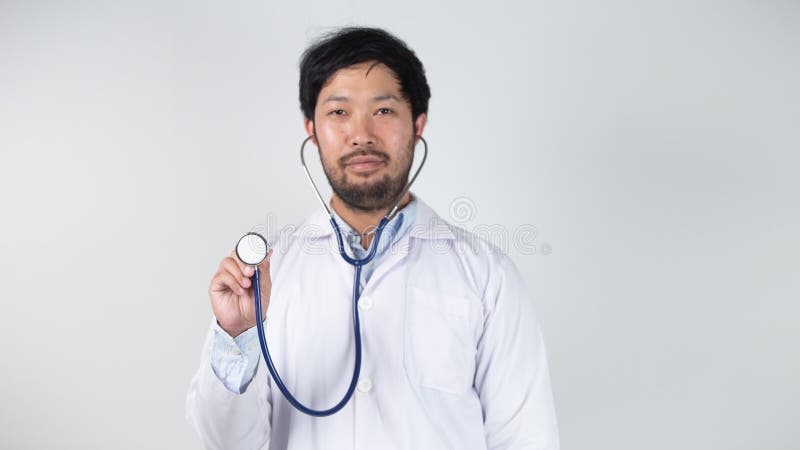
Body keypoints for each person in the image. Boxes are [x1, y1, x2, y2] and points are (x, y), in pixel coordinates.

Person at [186, 26, 560, 450]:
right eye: (339, 113)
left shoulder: (487, 275)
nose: (361, 134)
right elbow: (227, 443)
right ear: (312, 129)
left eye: (383, 111)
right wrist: (236, 335)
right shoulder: (268, 276)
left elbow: (526, 437)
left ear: (418, 124)